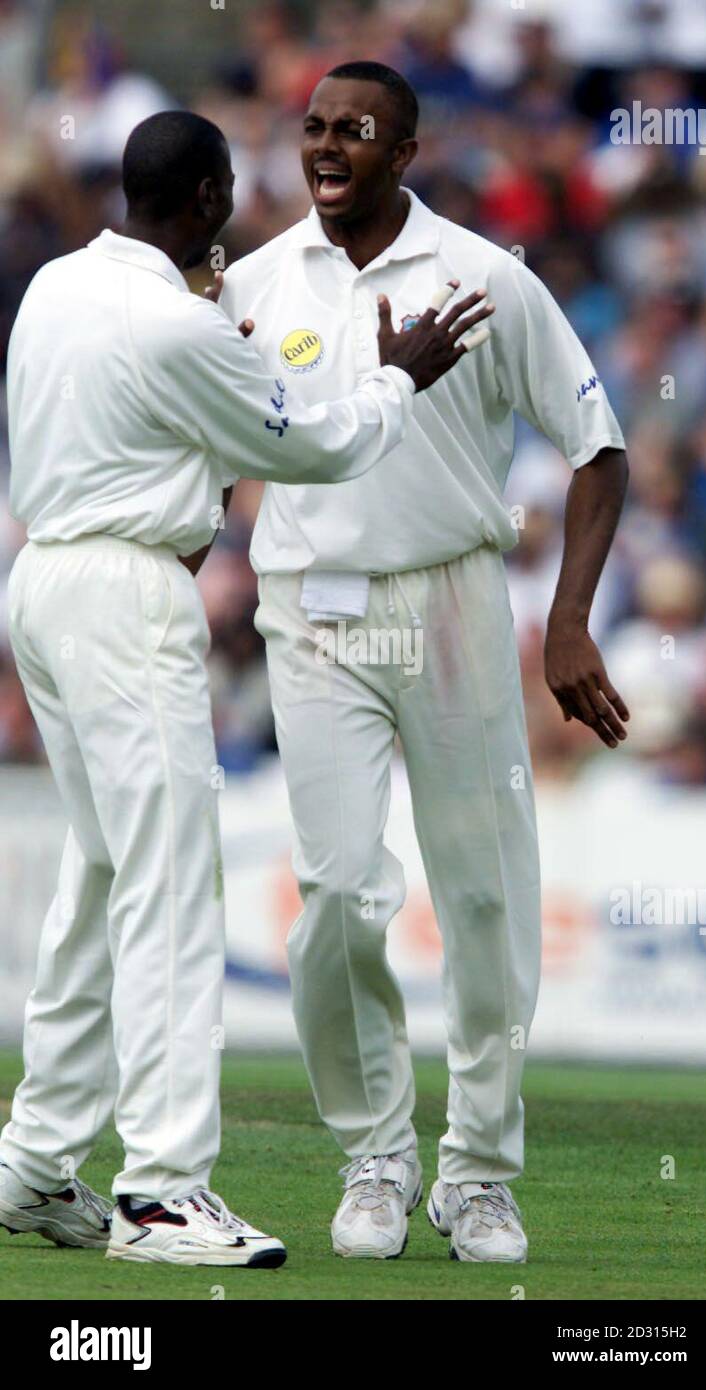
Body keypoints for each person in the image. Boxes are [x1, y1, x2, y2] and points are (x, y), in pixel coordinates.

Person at [0, 109, 490, 1268]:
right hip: (126, 596)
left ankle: (34, 1162)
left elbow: (158, 418)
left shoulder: (57, 286)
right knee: (168, 889)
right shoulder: (180, 325)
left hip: (43, 585)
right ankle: (162, 1194)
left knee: (105, 870)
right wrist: (397, 376)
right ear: (211, 198)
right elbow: (315, 443)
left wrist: (217, 335)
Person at [219, 61, 630, 1264]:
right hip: (310, 610)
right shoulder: (253, 283)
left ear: (404, 153)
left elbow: (596, 446)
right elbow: (201, 446)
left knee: (485, 894)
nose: (326, 146)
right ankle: (376, 1154)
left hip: (452, 598)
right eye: (313, 128)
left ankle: (478, 1175)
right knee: (337, 893)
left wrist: (567, 619)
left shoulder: (482, 277)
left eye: (355, 130)